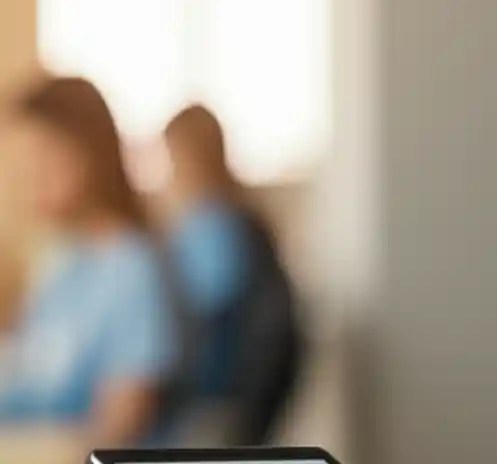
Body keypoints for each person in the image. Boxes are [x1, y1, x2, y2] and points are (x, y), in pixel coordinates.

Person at [0, 76, 177, 450]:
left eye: (41, 159)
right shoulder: (61, 265)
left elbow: (117, 429)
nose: (27, 179)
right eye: (21, 163)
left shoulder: (131, 271)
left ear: (87, 155)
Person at [161, 104, 302, 446]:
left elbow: (203, 307)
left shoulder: (212, 223)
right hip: (239, 396)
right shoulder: (243, 215)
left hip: (217, 396)